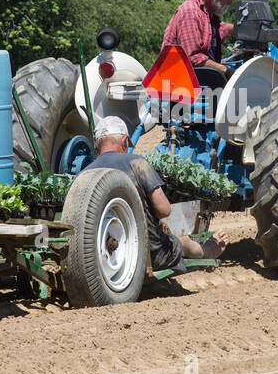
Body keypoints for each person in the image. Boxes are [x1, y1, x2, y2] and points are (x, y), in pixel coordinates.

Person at [82, 116, 228, 273]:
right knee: (183, 241)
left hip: (97, 254)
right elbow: (164, 210)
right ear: (124, 141)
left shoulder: (83, 175)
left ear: (97, 146)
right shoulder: (137, 164)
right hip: (151, 254)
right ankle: (206, 252)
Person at [161, 0, 243, 75]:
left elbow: (222, 29)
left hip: (197, 82)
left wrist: (243, 30)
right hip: (176, 84)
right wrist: (226, 71)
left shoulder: (209, 14)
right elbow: (193, 58)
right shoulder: (190, 12)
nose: (230, 2)